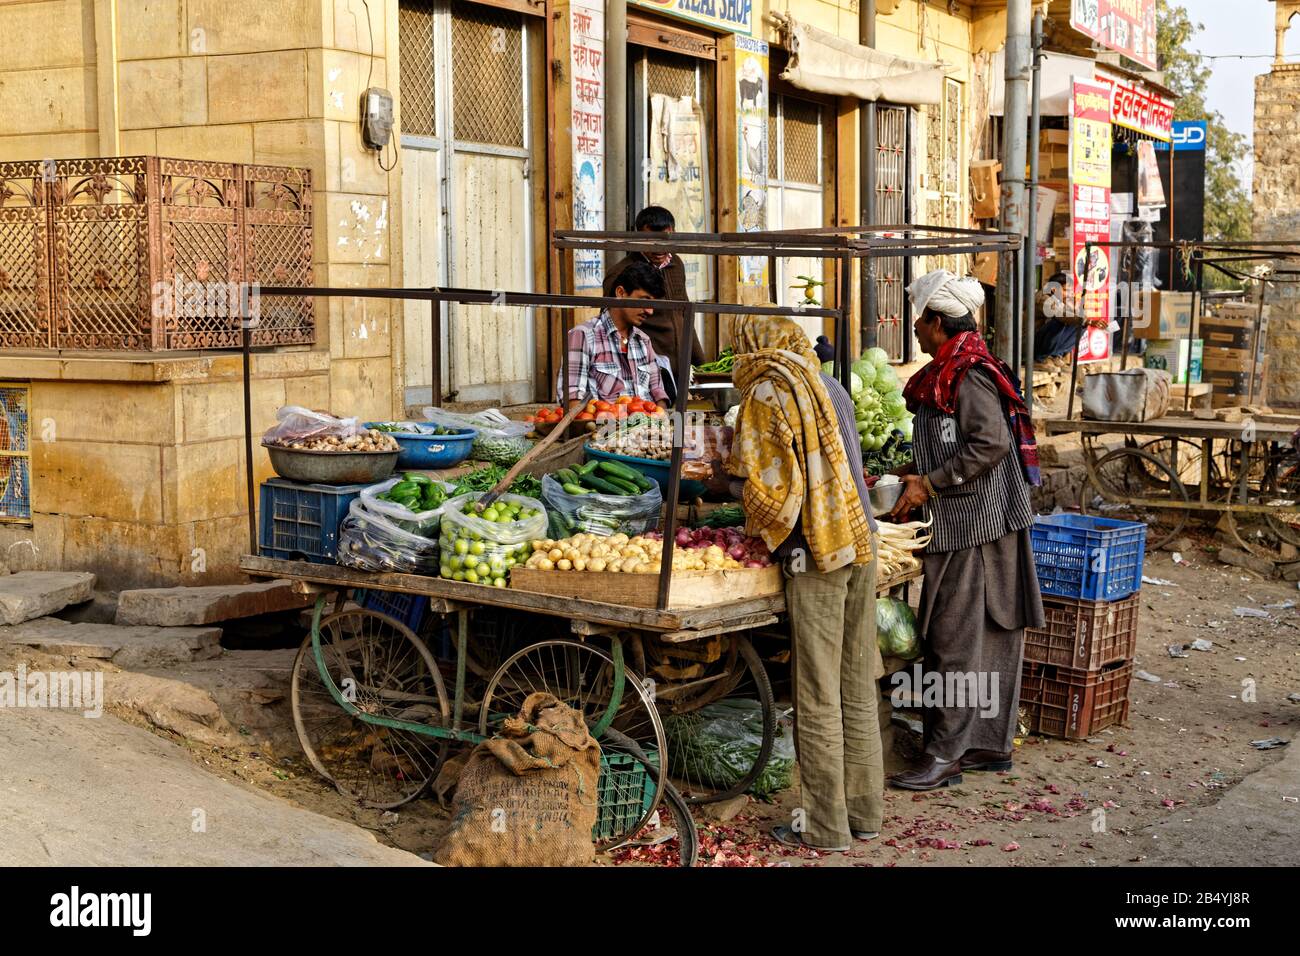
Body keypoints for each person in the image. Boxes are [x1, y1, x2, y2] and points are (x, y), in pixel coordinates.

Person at [707, 314, 881, 852]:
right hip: (861, 539)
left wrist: (722, 480)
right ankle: (864, 814)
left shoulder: (766, 391)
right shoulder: (826, 382)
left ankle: (826, 827)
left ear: (752, 348)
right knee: (856, 685)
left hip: (816, 552)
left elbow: (774, 494)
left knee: (816, 692)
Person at [887, 269, 1045, 791]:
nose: (913, 327)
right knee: (982, 637)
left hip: (978, 524)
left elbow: (989, 443)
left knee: (953, 639)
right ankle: (983, 745)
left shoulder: (969, 373)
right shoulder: (952, 368)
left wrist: (929, 484)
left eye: (919, 318)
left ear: (937, 321)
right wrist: (913, 476)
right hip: (975, 518)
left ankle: (945, 754)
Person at [603, 206, 704, 403]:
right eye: (651, 240)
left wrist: (700, 363)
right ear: (639, 236)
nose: (659, 248)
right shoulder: (621, 273)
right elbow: (610, 325)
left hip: (679, 368)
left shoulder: (676, 265)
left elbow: (685, 314)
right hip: (647, 369)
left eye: (665, 240)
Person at [563, 259, 670, 408]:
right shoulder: (583, 336)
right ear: (620, 293)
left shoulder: (643, 341)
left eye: (653, 304)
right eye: (644, 300)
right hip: (602, 428)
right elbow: (572, 399)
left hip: (647, 427)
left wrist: (660, 420)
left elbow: (658, 393)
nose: (650, 311)